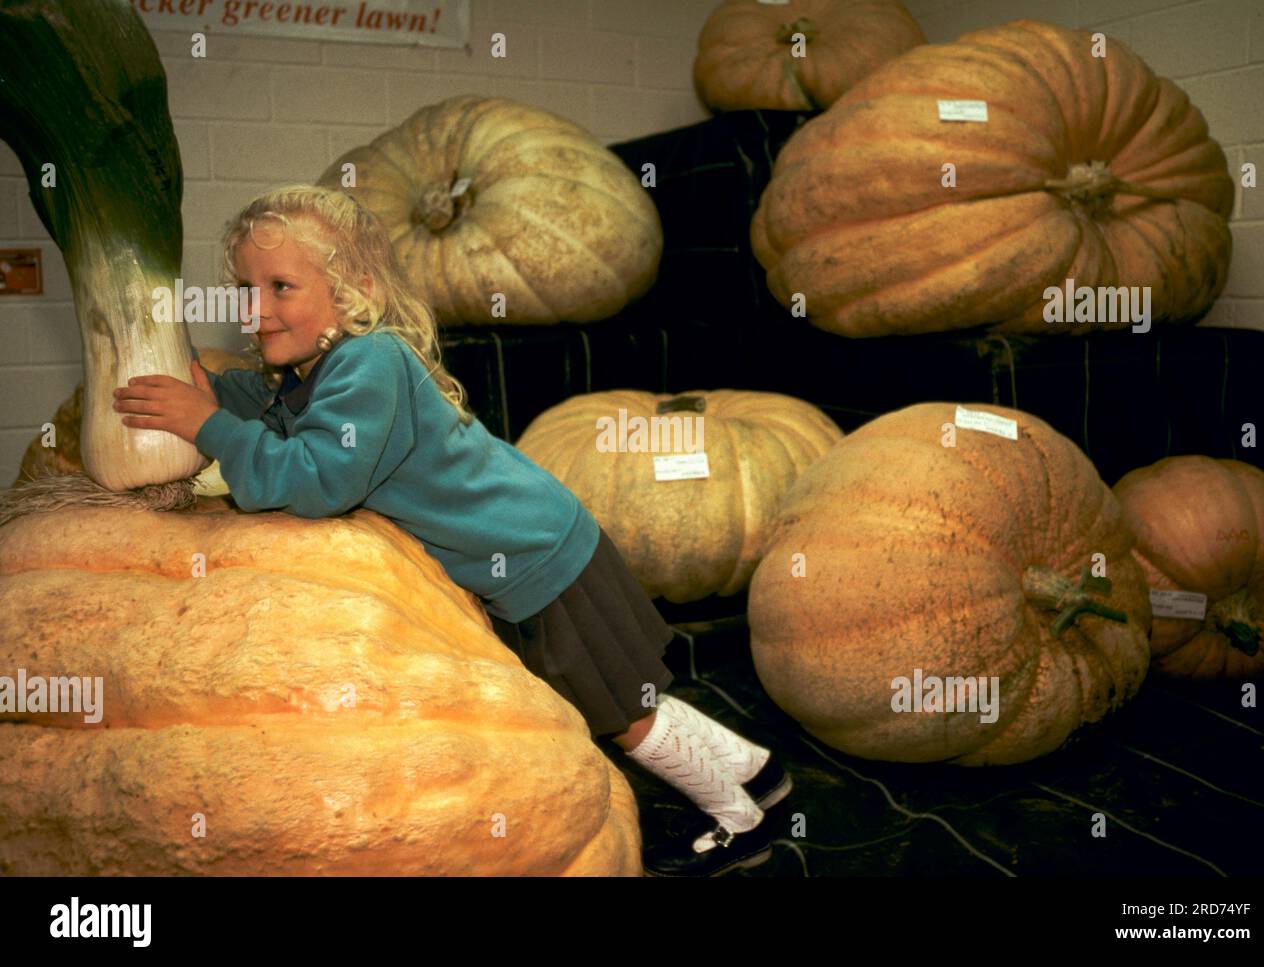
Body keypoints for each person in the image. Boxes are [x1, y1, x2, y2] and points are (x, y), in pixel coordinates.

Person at [111, 184, 792, 876]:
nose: (256, 310)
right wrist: (213, 394)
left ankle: (742, 821)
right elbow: (274, 406)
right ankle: (757, 770)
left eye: (281, 285)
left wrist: (209, 427)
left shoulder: (367, 365)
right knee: (633, 695)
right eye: (244, 290)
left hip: (536, 562)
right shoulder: (315, 367)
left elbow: (316, 479)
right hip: (536, 547)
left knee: (622, 713)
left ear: (354, 290)